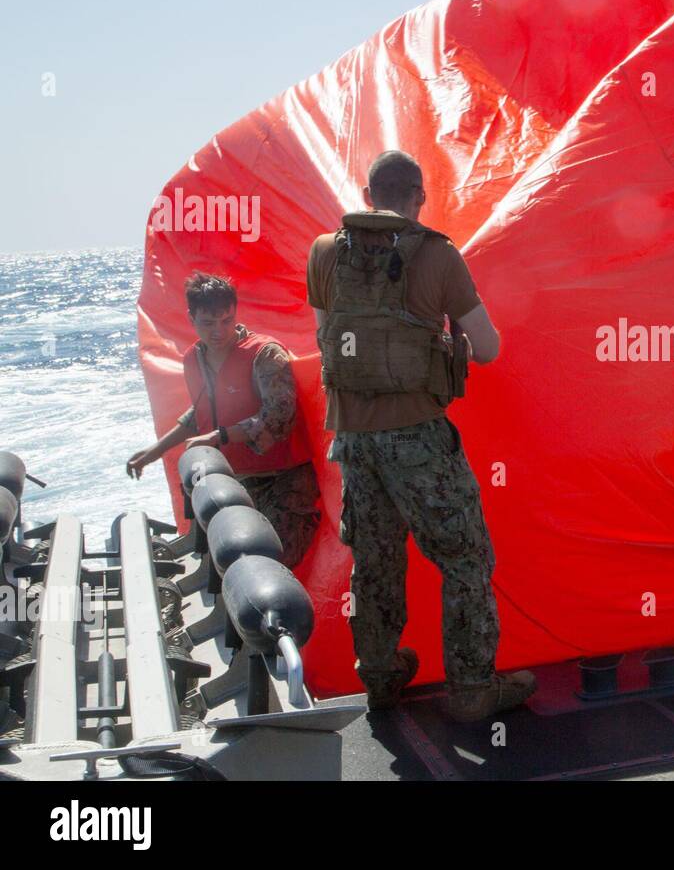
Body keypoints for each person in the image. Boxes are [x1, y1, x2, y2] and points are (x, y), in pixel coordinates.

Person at [306, 149, 535, 717]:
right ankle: (473, 689)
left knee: (376, 560)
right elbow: (488, 348)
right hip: (418, 440)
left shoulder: (324, 252)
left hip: (353, 440)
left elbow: (324, 339)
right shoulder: (438, 255)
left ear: (367, 195)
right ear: (419, 197)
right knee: (465, 558)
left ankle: (380, 677)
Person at [127, 273, 321, 568]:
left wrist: (221, 436)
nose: (219, 331)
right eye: (208, 323)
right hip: (233, 483)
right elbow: (201, 414)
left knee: (270, 568)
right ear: (191, 318)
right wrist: (153, 452)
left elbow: (280, 415)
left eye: (226, 320)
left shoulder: (264, 354)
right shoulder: (194, 359)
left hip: (284, 483)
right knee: (232, 566)